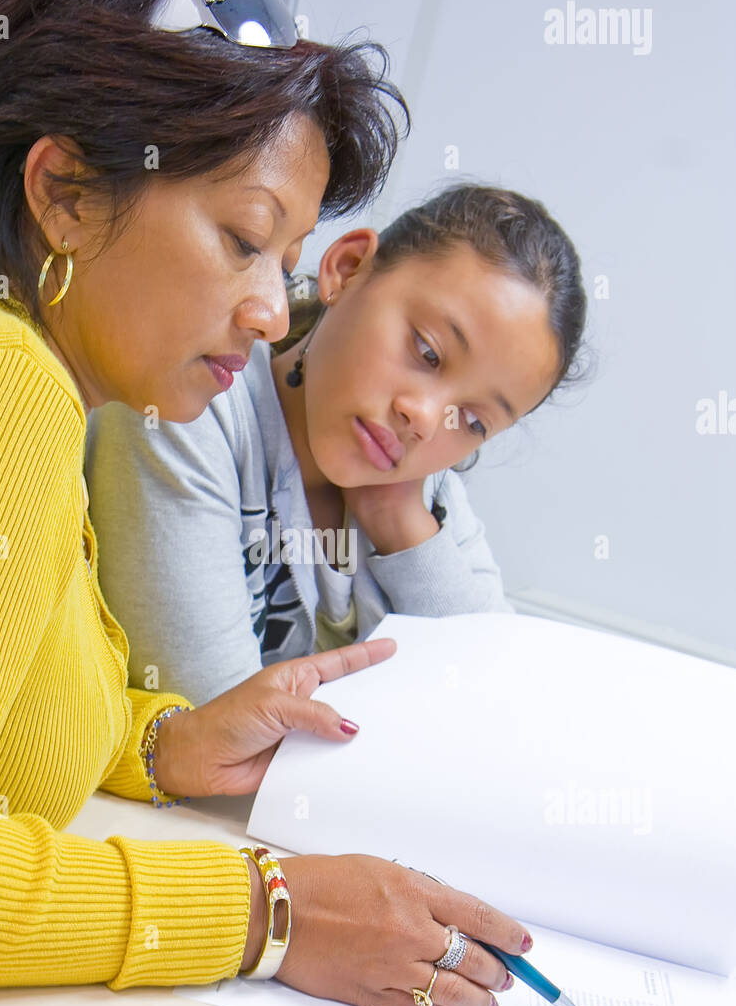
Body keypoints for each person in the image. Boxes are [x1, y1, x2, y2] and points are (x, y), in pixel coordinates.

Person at [0, 0, 532, 1006]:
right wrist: (270, 911)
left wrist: (166, 743)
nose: (275, 309)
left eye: (284, 256)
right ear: (67, 193)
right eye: (242, 238)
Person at [85, 183, 587, 703]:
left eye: (476, 422)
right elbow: (215, 723)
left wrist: (401, 526)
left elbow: (497, 697)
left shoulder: (424, 491)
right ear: (348, 270)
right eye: (428, 352)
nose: (426, 419)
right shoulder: (193, 404)